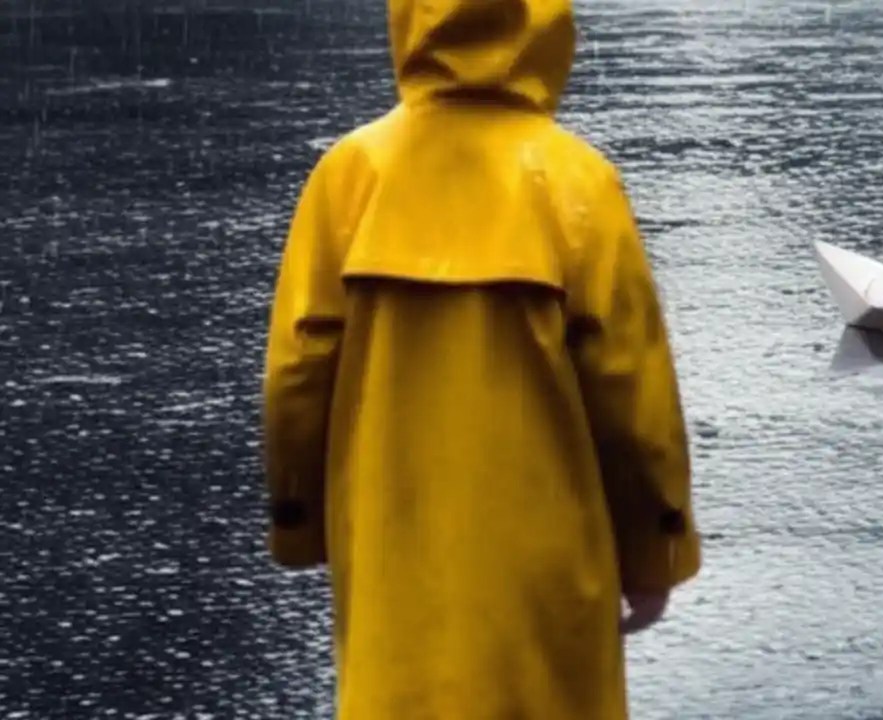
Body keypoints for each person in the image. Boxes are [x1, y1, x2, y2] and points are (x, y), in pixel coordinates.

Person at [259, 0, 701, 717]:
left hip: (391, 565)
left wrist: (301, 523)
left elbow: (297, 375)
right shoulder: (579, 184)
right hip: (547, 574)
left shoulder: (349, 175)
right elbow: (633, 395)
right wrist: (656, 555)